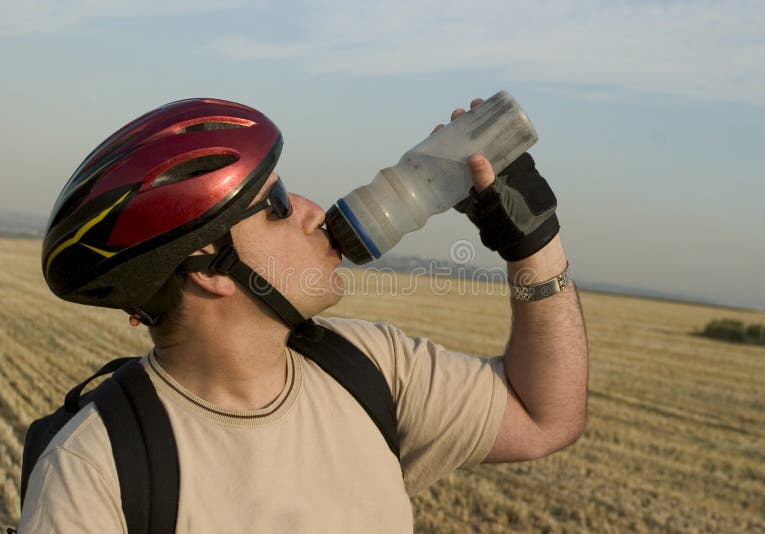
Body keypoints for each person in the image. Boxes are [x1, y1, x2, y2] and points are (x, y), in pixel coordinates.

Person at [19, 97, 588, 533]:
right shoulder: (93, 467)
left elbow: (544, 417)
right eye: (279, 207)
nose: (314, 213)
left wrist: (531, 241)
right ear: (209, 270)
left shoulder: (367, 366)